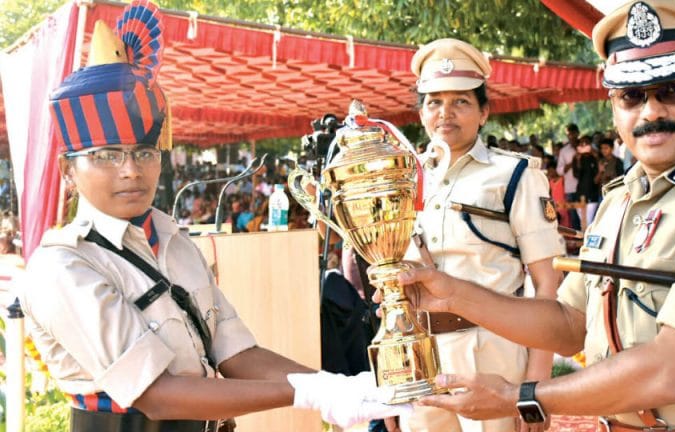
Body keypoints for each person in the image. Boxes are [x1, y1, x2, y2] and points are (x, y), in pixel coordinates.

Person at [18, 3, 409, 431]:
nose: (131, 169)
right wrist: (313, 393)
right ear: (67, 171)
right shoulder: (64, 266)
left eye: (144, 153)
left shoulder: (173, 241)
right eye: (107, 156)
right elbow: (158, 395)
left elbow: (237, 354)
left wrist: (343, 387)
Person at [394, 1, 675, 431]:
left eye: (674, 89)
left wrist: (520, 398)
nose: (650, 112)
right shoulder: (622, 200)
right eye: (631, 95)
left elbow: (674, 370)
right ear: (613, 106)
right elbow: (570, 325)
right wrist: (451, 293)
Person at [402, 38, 565, 432]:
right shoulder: (404, 179)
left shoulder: (515, 176)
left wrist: (534, 386)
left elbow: (547, 284)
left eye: (460, 101)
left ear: (484, 112)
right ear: (422, 112)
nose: (446, 113)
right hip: (423, 356)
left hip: (493, 353)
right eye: (434, 101)